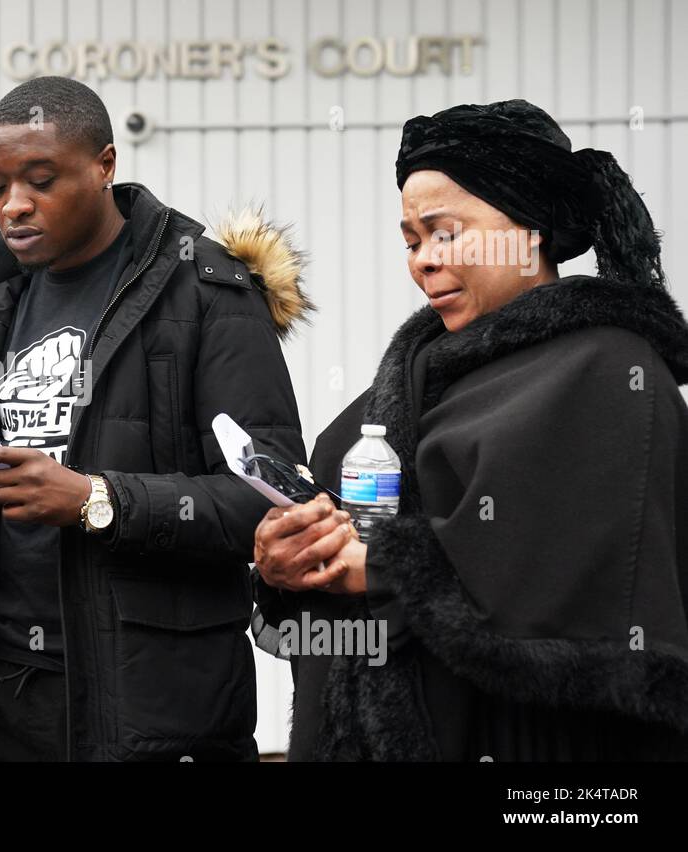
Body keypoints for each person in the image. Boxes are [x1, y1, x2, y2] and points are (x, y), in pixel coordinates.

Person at [253, 100, 688, 761]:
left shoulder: (610, 369)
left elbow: (573, 582)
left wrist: (385, 568)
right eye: (410, 240)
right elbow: (331, 598)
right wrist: (286, 564)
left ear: (531, 230)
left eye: (446, 233)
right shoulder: (408, 380)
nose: (422, 261)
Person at [0, 76, 309, 761]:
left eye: (40, 179)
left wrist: (96, 500)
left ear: (106, 166)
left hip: (146, 707)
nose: (13, 206)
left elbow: (272, 500)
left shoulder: (208, 291)